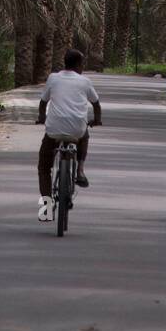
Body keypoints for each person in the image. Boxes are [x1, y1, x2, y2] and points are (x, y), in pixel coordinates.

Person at [36, 49, 102, 222]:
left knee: (44, 167)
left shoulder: (53, 78)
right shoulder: (85, 81)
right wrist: (97, 120)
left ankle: (46, 209)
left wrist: (42, 118)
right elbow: (96, 104)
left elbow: (43, 103)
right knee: (84, 134)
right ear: (79, 65)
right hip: (77, 129)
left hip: (54, 130)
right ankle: (80, 170)